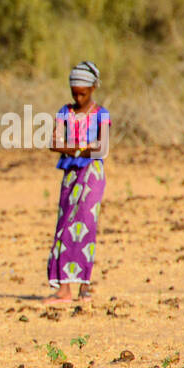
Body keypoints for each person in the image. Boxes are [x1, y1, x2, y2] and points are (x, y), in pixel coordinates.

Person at [45, 61, 109, 305]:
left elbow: (101, 149)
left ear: (93, 88)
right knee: (65, 224)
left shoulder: (101, 114)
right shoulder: (65, 113)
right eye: (75, 93)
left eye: (83, 93)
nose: (78, 97)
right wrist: (82, 149)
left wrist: (72, 149)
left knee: (86, 225)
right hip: (70, 175)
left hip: (92, 175)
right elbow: (54, 142)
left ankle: (84, 286)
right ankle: (63, 288)